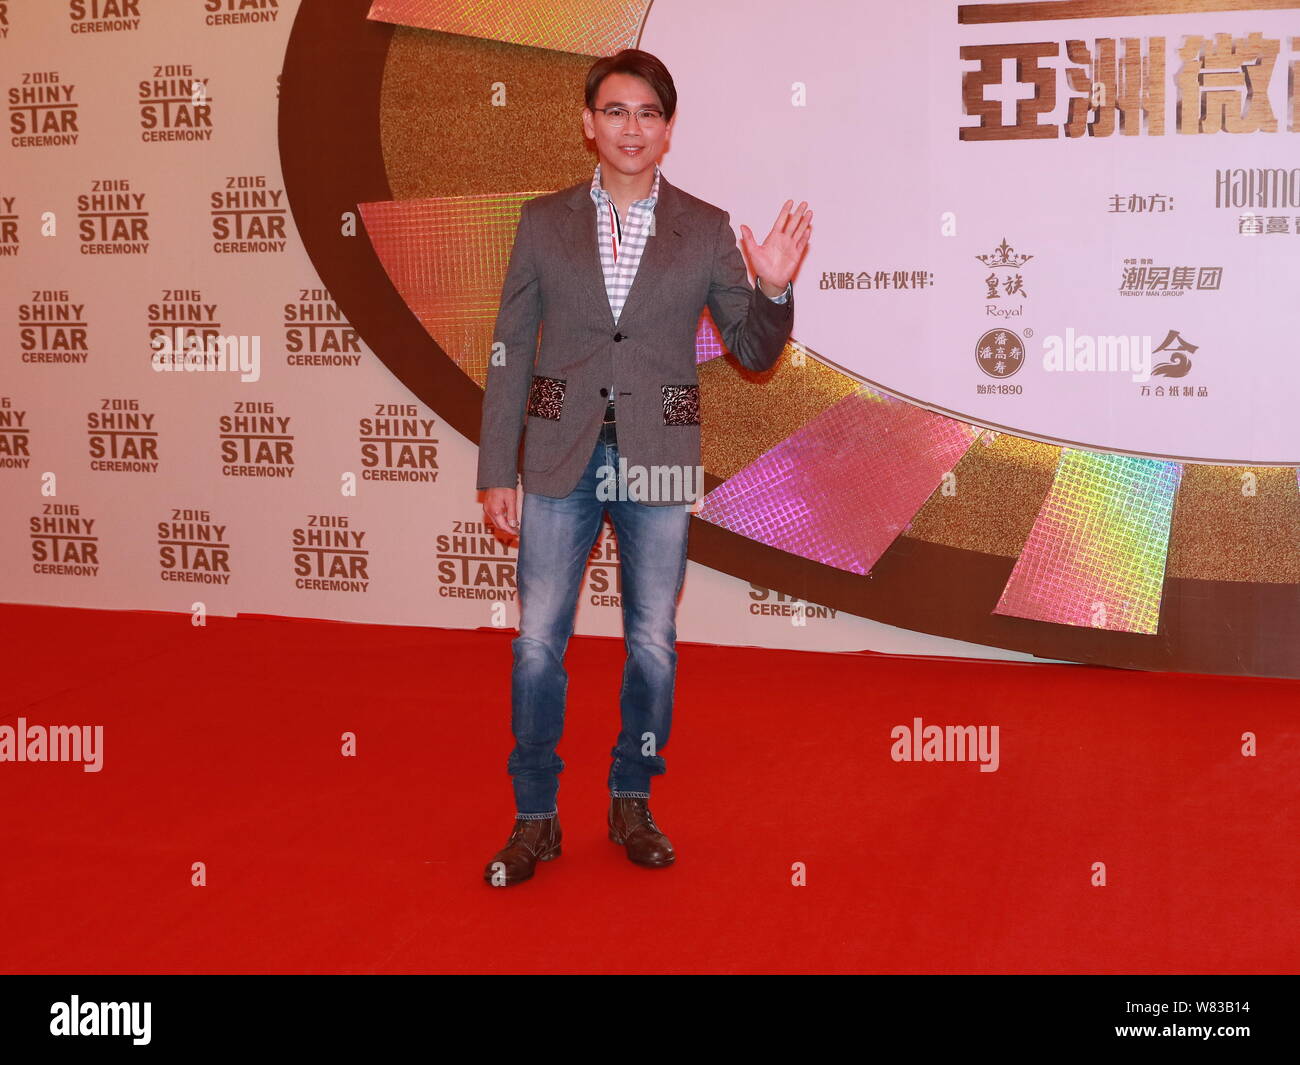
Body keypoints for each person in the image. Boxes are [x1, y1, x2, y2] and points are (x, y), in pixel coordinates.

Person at [476, 48, 810, 886]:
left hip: (659, 454)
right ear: (589, 123)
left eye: (649, 113)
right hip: (558, 453)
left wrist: (771, 290)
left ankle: (632, 794)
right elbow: (512, 352)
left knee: (653, 643)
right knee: (535, 643)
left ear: (668, 130)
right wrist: (495, 465)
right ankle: (536, 814)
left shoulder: (702, 227)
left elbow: (750, 351)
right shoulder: (543, 221)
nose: (632, 127)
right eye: (616, 111)